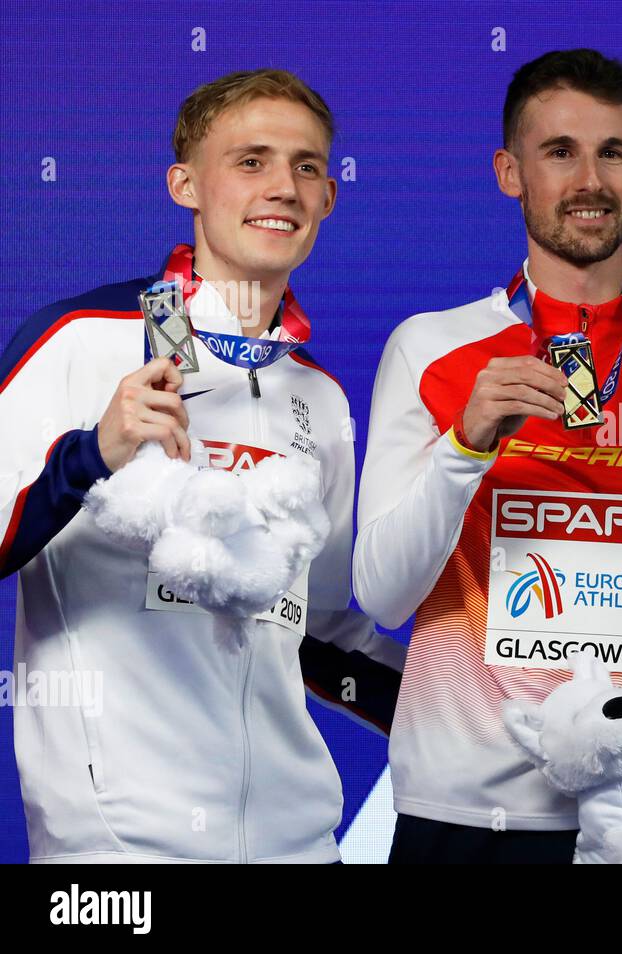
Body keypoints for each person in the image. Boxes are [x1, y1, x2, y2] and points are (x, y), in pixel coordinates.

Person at [354, 48, 622, 863]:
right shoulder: (432, 350)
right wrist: (465, 446)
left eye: (613, 153)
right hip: (461, 808)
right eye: (560, 152)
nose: (590, 180)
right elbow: (382, 594)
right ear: (510, 172)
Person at [0, 69, 403, 862]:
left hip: (301, 844)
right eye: (250, 161)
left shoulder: (317, 397)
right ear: (185, 183)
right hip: (119, 851)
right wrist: (92, 453)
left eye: (307, 167)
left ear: (328, 198)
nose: (283, 186)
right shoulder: (83, 337)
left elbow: (319, 629)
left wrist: (487, 716)